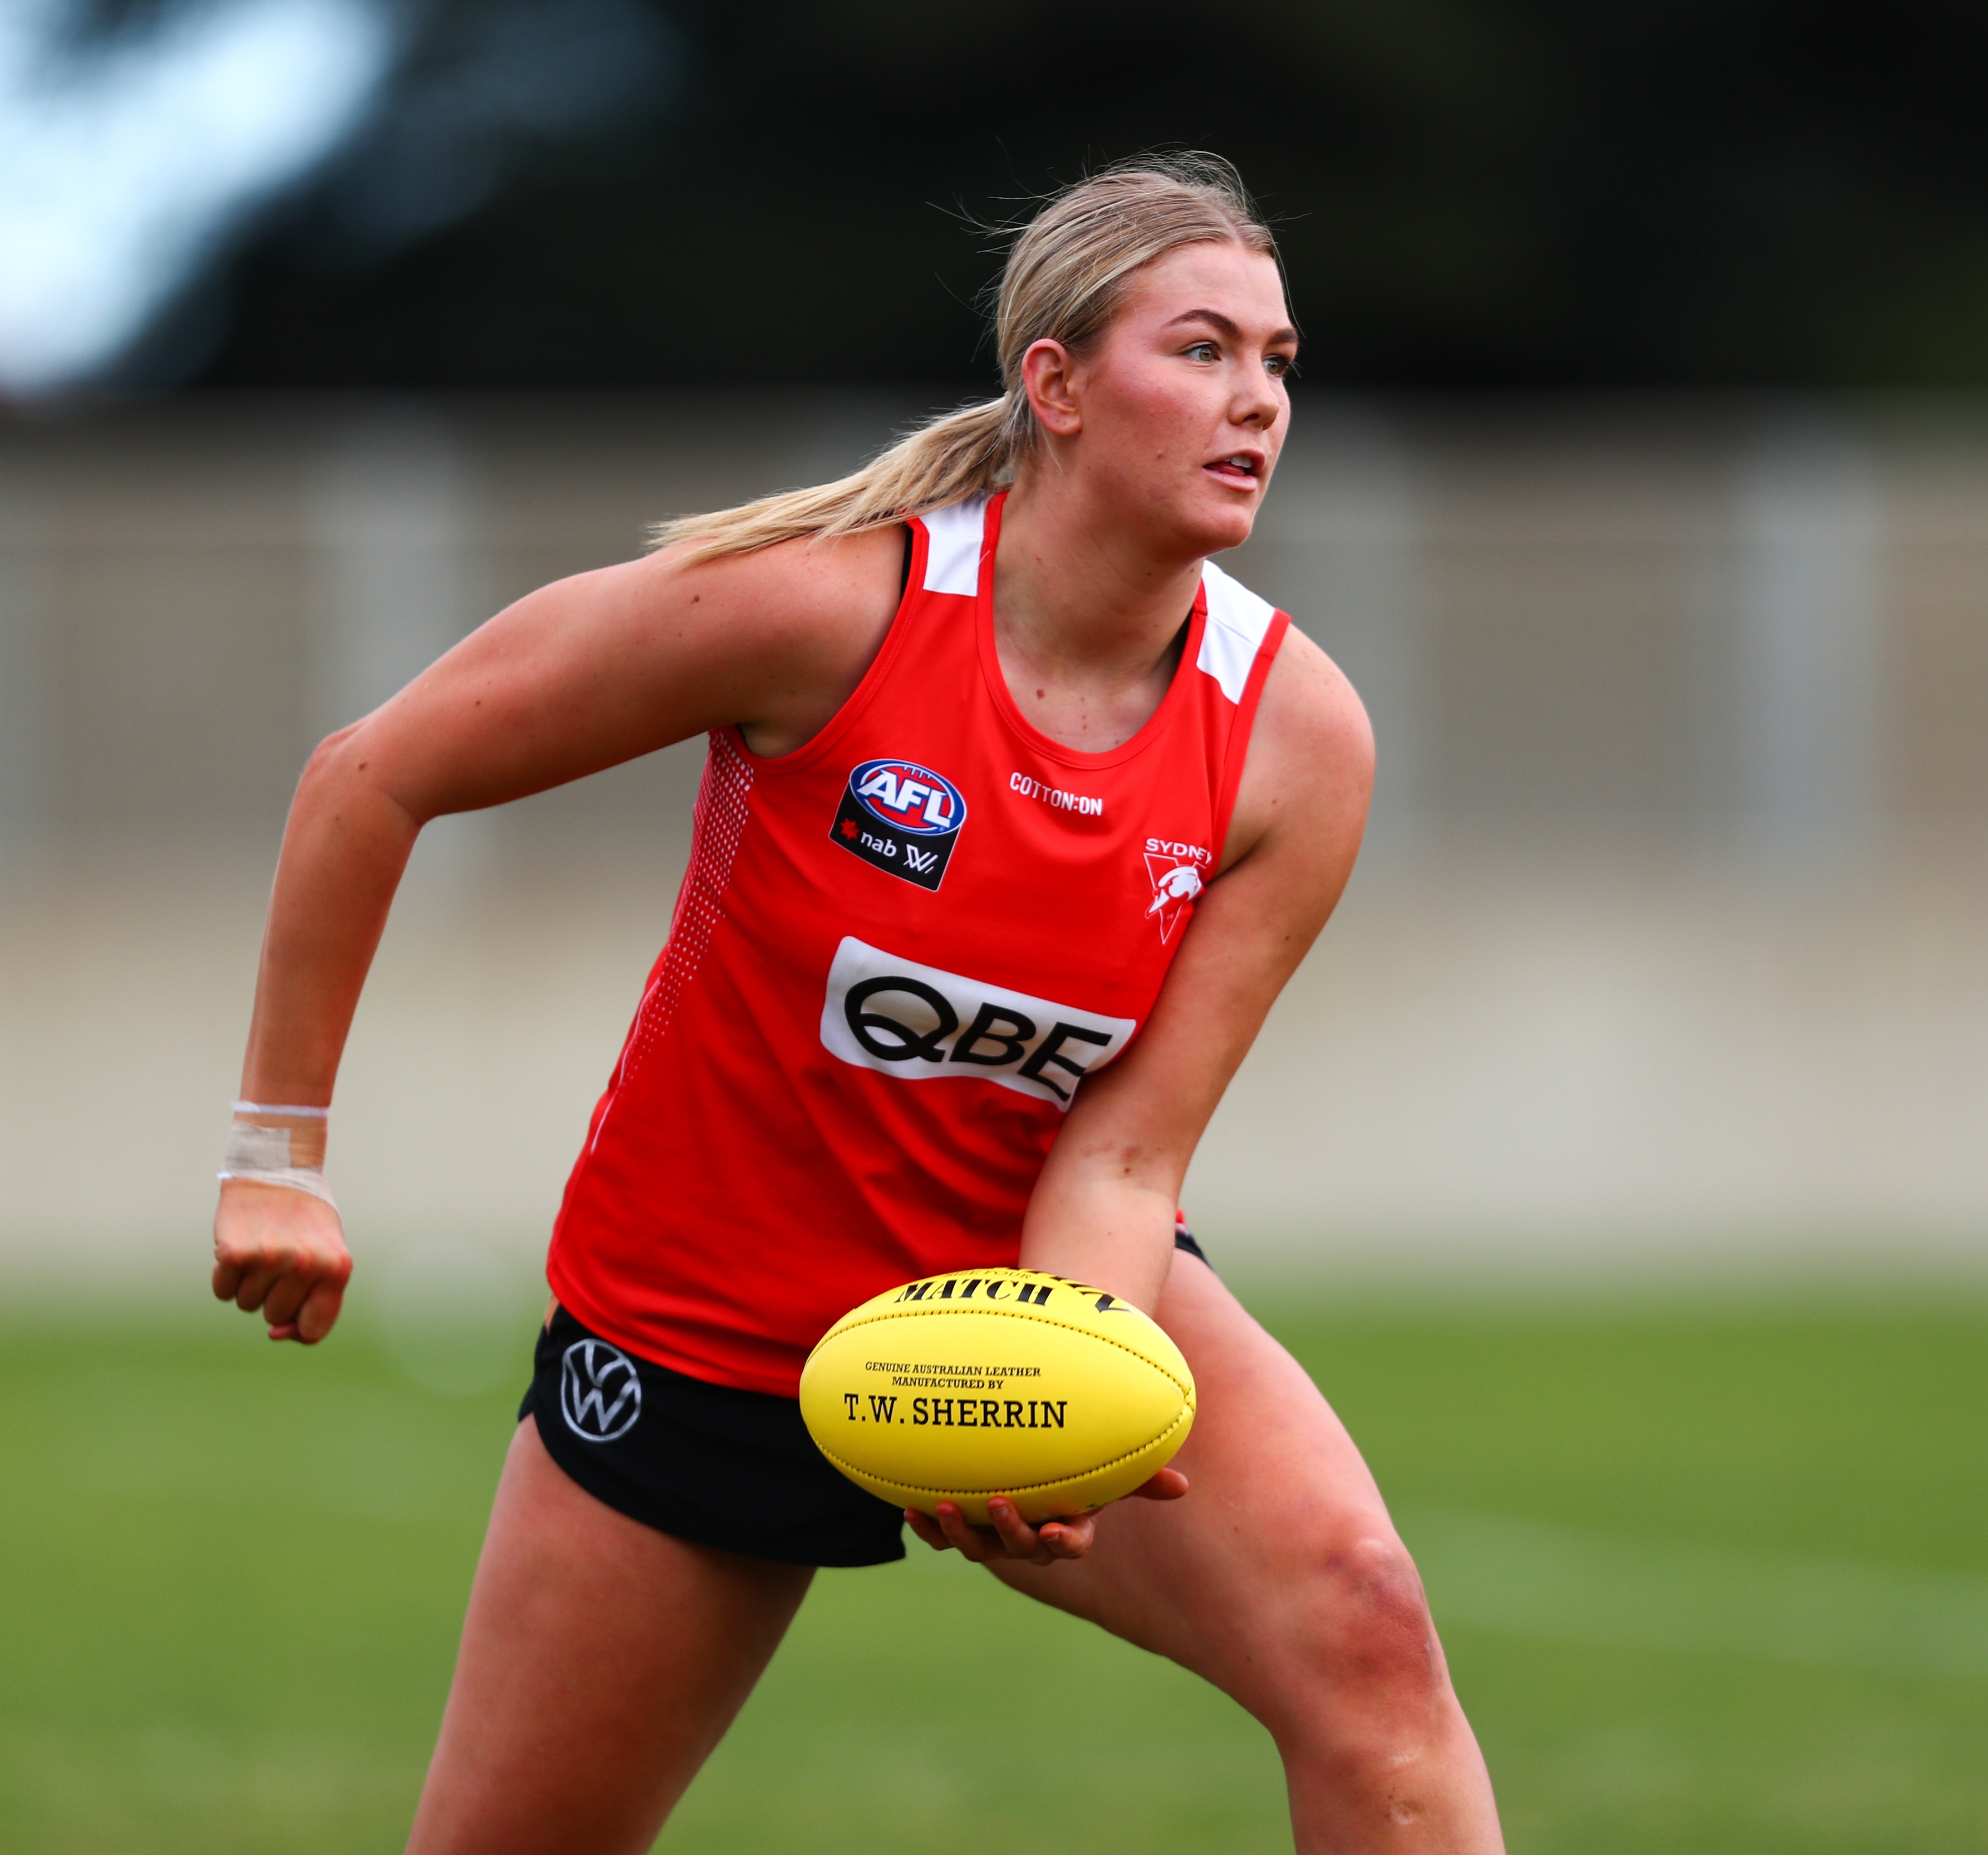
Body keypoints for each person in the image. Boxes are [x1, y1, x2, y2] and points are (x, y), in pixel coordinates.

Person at [210, 153, 1504, 1854]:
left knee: (1369, 1639)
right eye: (1201, 351)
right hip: (703, 1322)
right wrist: (276, 1150)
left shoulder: (1297, 738)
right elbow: (371, 774)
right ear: (1053, 383)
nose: (1256, 399)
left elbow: (1124, 1160)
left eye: (1277, 360)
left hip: (1029, 1277)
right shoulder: (822, 607)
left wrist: (1052, 1384)